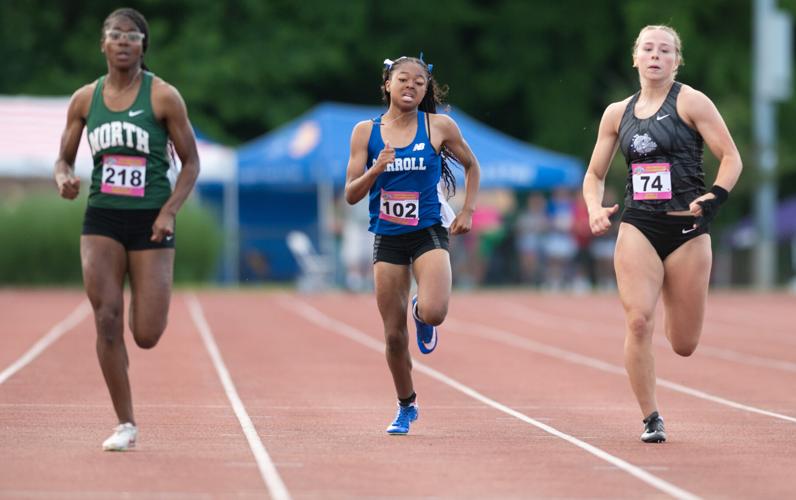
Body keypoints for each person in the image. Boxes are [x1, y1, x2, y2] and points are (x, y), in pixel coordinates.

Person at [583, 25, 742, 443]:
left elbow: (731, 157)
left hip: (688, 228)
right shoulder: (617, 113)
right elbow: (594, 174)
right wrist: (594, 207)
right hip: (639, 224)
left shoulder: (691, 102)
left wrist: (715, 197)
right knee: (638, 322)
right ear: (635, 57)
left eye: (665, 50)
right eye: (649, 49)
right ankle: (651, 417)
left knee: (684, 343)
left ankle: (675, 296)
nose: (656, 56)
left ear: (676, 61)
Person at [54, 8, 200, 451]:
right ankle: (125, 423)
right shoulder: (85, 99)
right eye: (115, 34)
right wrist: (64, 178)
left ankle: (146, 297)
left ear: (142, 47)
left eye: (132, 36)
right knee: (106, 317)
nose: (122, 42)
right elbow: (63, 159)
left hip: (151, 219)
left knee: (146, 334)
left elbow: (191, 163)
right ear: (102, 44)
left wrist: (170, 211)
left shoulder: (164, 97)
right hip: (101, 217)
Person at [344, 55, 480, 435]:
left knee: (435, 312)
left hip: (428, 231)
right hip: (387, 236)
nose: (411, 87)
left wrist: (467, 210)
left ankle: (420, 312)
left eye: (419, 83)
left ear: (426, 90)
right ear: (387, 84)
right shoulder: (365, 132)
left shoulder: (438, 126)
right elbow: (351, 194)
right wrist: (376, 168)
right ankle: (406, 405)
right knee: (392, 335)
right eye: (403, 79)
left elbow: (472, 165)